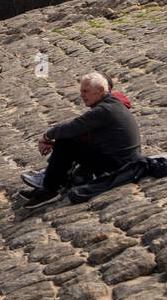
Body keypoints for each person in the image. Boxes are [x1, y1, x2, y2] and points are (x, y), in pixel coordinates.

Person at [21, 72, 142, 209]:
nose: (82, 95)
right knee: (69, 142)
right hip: (119, 160)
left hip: (120, 166)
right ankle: (52, 181)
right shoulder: (110, 103)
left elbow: (73, 126)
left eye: (86, 91)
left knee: (66, 142)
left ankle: (50, 189)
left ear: (101, 91)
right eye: (81, 91)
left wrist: (46, 137)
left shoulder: (104, 110)